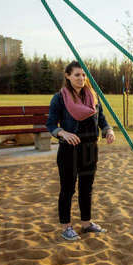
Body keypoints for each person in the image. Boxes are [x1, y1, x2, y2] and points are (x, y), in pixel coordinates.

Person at [46, 61, 115, 241]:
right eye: (77, 75)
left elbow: (102, 120)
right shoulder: (60, 98)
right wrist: (63, 133)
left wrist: (108, 130)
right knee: (67, 189)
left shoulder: (93, 96)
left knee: (87, 188)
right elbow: (51, 124)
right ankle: (66, 227)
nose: (81, 78)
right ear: (68, 76)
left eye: (84, 75)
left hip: (90, 149)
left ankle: (86, 224)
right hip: (69, 150)